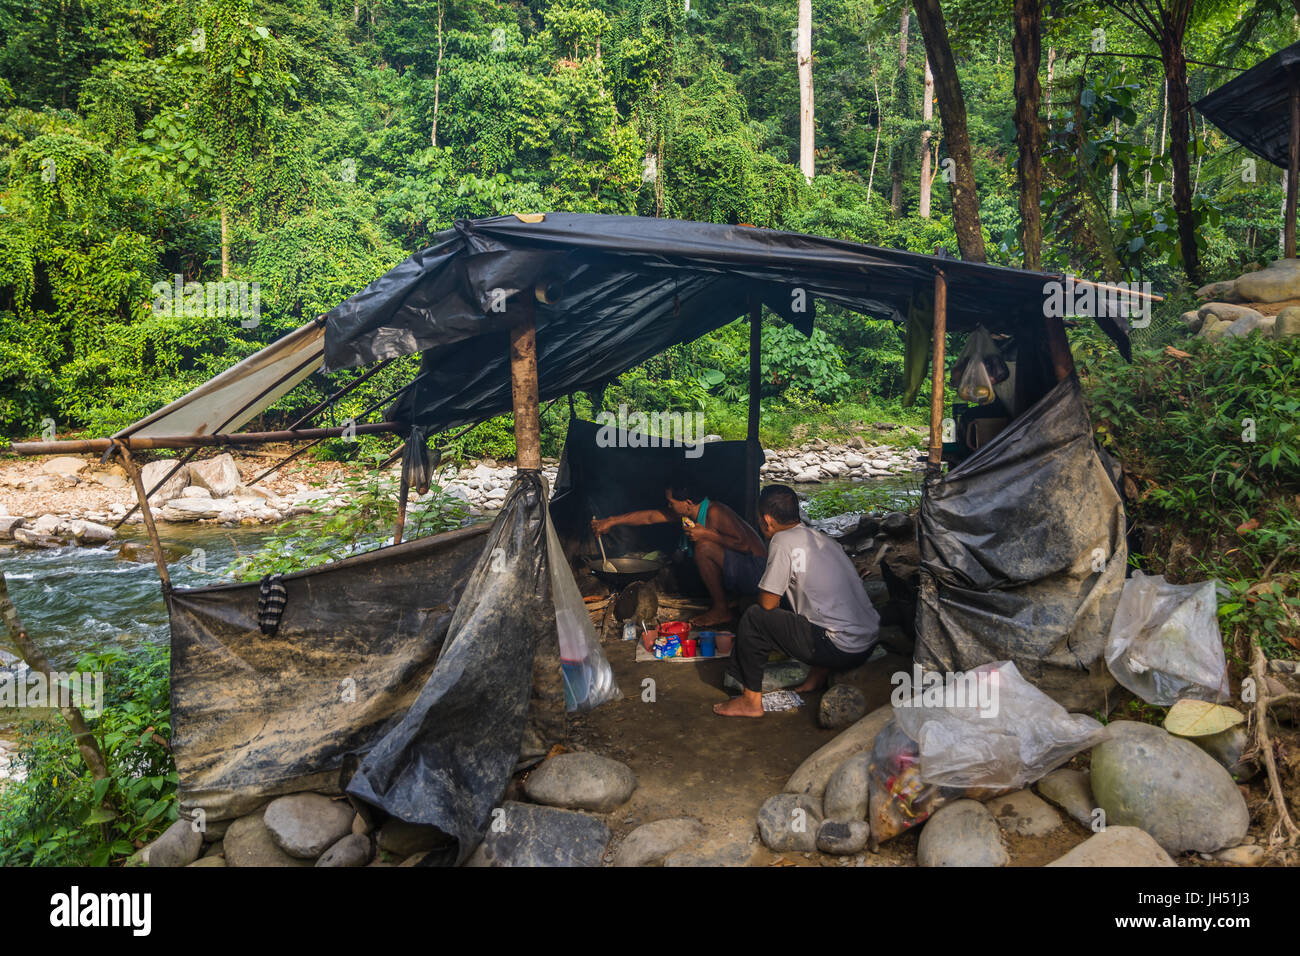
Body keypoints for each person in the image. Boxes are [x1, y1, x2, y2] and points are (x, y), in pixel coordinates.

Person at [714, 483, 880, 718]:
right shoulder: (822, 539)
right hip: (868, 639)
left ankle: (750, 701)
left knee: (754, 616)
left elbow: (768, 604)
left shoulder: (782, 541)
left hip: (842, 647)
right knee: (803, 603)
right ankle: (818, 675)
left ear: (767, 520)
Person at [591, 483, 766, 626]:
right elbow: (650, 516)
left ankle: (721, 611)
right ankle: (730, 600)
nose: (669, 506)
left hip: (758, 573)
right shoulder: (688, 513)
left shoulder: (716, 511)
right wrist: (611, 521)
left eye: (671, 502)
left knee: (704, 547)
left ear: (688, 503)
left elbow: (743, 545)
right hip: (745, 571)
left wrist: (706, 534)